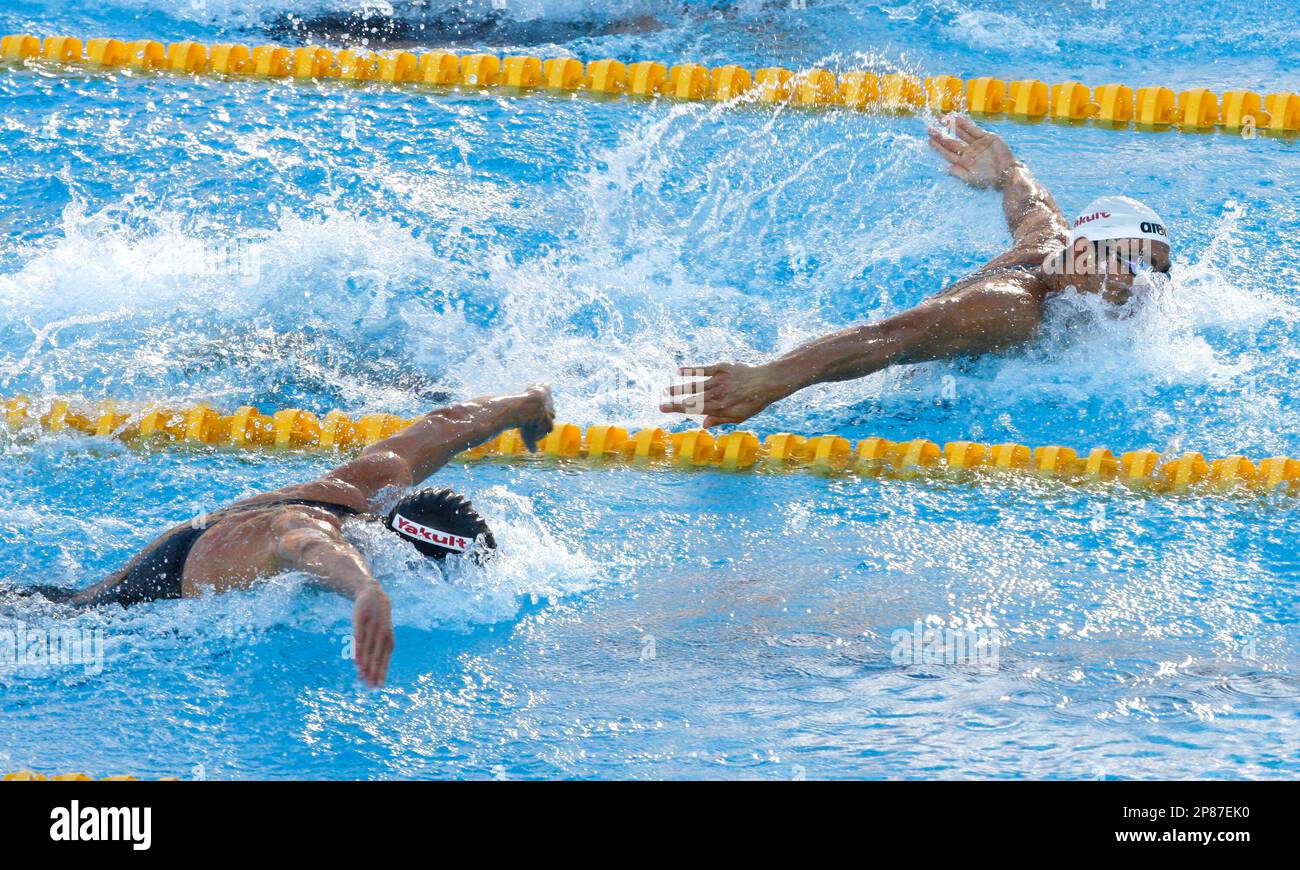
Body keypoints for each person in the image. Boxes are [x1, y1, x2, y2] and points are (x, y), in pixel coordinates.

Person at [18, 386, 556, 687]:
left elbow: (443, 424)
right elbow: (304, 544)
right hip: (80, 620)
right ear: (405, 552)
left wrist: (525, 404)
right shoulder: (310, 524)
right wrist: (366, 588)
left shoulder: (369, 489)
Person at [660, 115, 1173, 427]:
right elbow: (894, 337)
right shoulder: (1011, 306)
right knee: (665, 398)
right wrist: (772, 379)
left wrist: (1007, 171)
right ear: (1087, 256)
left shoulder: (1060, 247)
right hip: (893, 395)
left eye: (1158, 269)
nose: (1143, 282)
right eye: (1132, 261)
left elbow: (1033, 205)